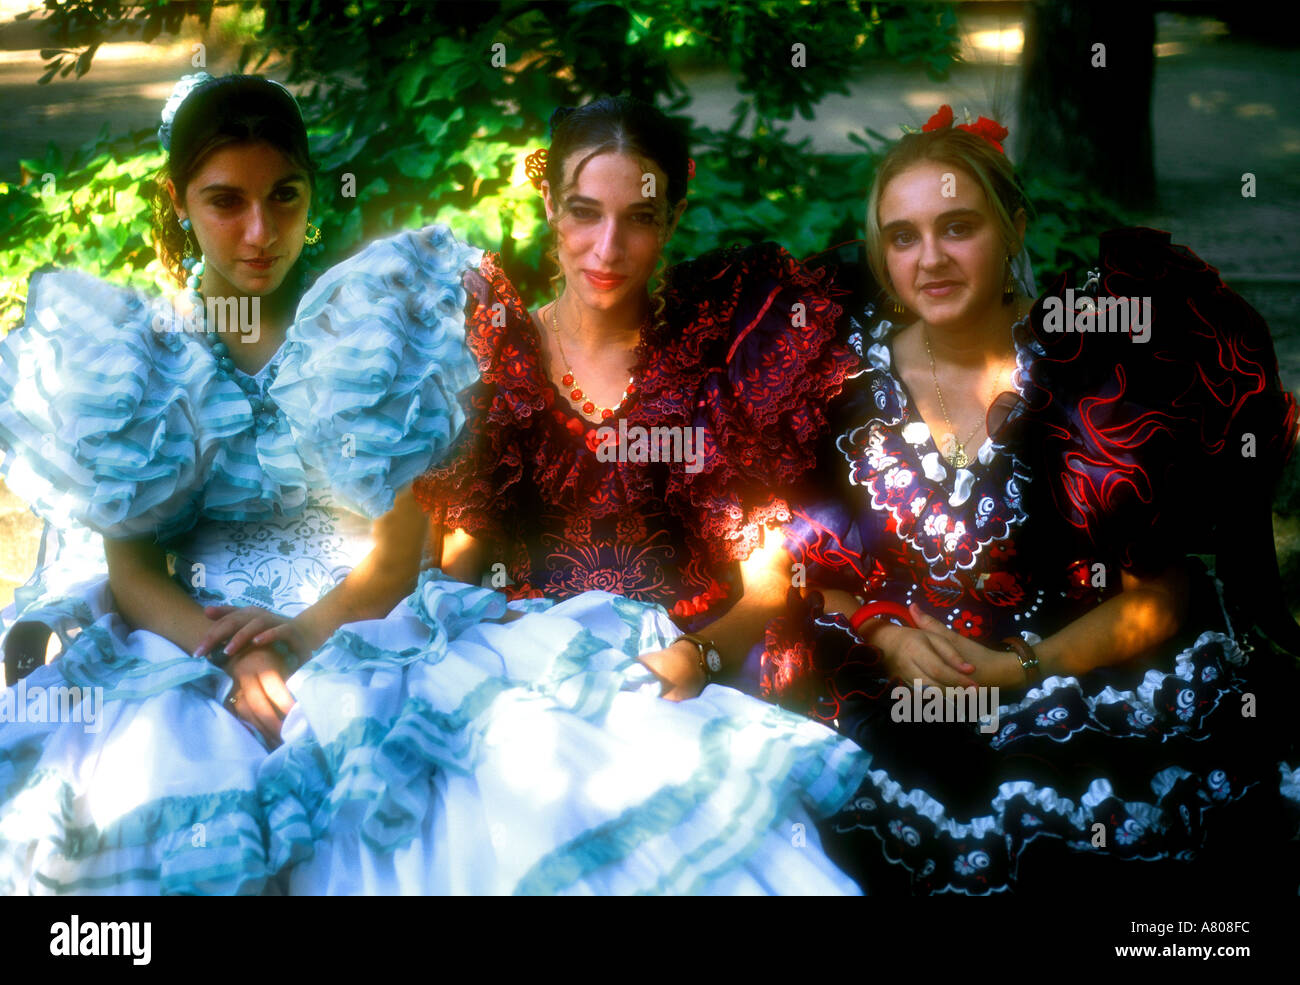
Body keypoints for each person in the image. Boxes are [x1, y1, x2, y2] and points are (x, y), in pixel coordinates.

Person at [256, 96, 872, 894]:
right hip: (526, 673)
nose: (607, 248)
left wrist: (700, 654)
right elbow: (451, 563)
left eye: (638, 219)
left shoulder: (715, 354)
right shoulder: (494, 355)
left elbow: (764, 585)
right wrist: (294, 636)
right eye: (583, 213)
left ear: (674, 216)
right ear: (549, 204)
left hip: (669, 669)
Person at [759, 105, 1300, 894]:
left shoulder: (1094, 369)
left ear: (1014, 228)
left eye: (958, 227)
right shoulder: (838, 381)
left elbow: (1167, 592)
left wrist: (1023, 667)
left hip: (1076, 668)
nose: (930, 259)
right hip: (899, 676)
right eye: (903, 236)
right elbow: (811, 561)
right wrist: (887, 637)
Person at [0, 73, 482, 894]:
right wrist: (229, 659)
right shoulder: (137, 358)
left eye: (284, 197)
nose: (260, 232)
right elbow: (133, 572)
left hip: (360, 618)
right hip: (191, 636)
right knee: (125, 793)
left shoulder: (369, 335)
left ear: (311, 195)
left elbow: (403, 555)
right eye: (226, 201)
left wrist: (295, 641)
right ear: (177, 199)